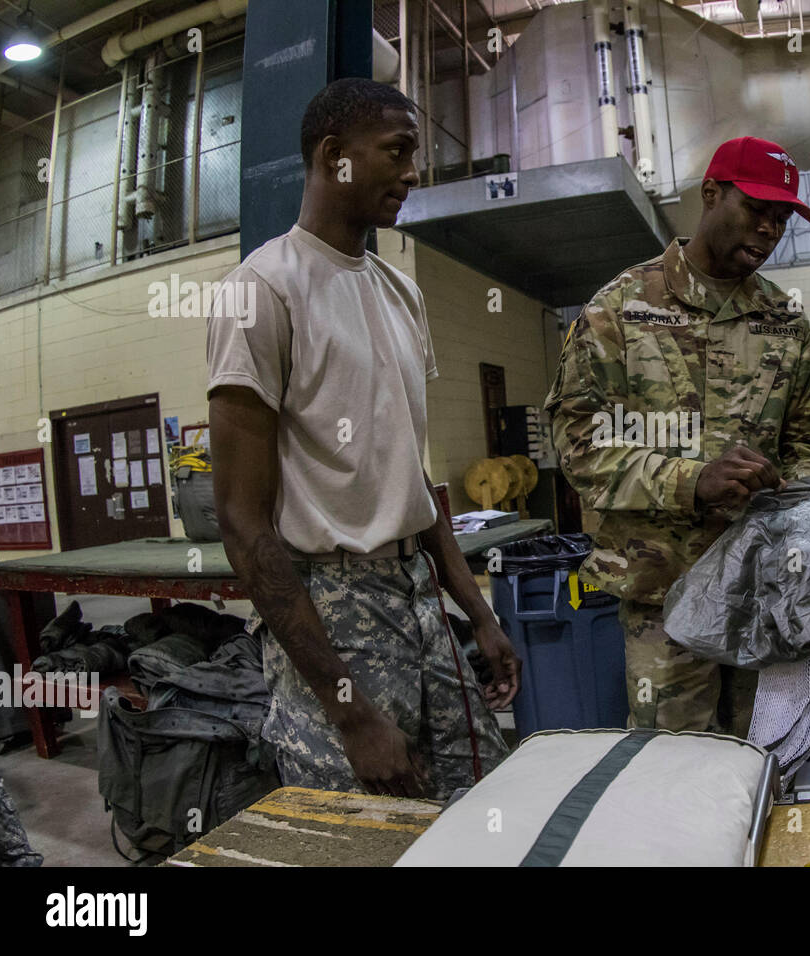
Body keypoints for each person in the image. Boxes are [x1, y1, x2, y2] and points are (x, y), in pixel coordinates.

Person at [206, 77, 516, 800]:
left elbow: (415, 480)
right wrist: (349, 714)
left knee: (472, 807)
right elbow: (242, 522)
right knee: (362, 830)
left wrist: (478, 613)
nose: (413, 172)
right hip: (335, 606)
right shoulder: (263, 291)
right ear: (334, 155)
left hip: (418, 596)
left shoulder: (399, 291)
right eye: (398, 151)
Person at [545, 137, 810, 738]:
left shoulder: (787, 324)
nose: (767, 229)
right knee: (674, 775)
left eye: (781, 218)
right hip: (666, 599)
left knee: (762, 760)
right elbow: (577, 443)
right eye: (756, 208)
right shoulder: (621, 311)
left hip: (762, 592)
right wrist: (692, 480)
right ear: (710, 194)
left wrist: (803, 504)